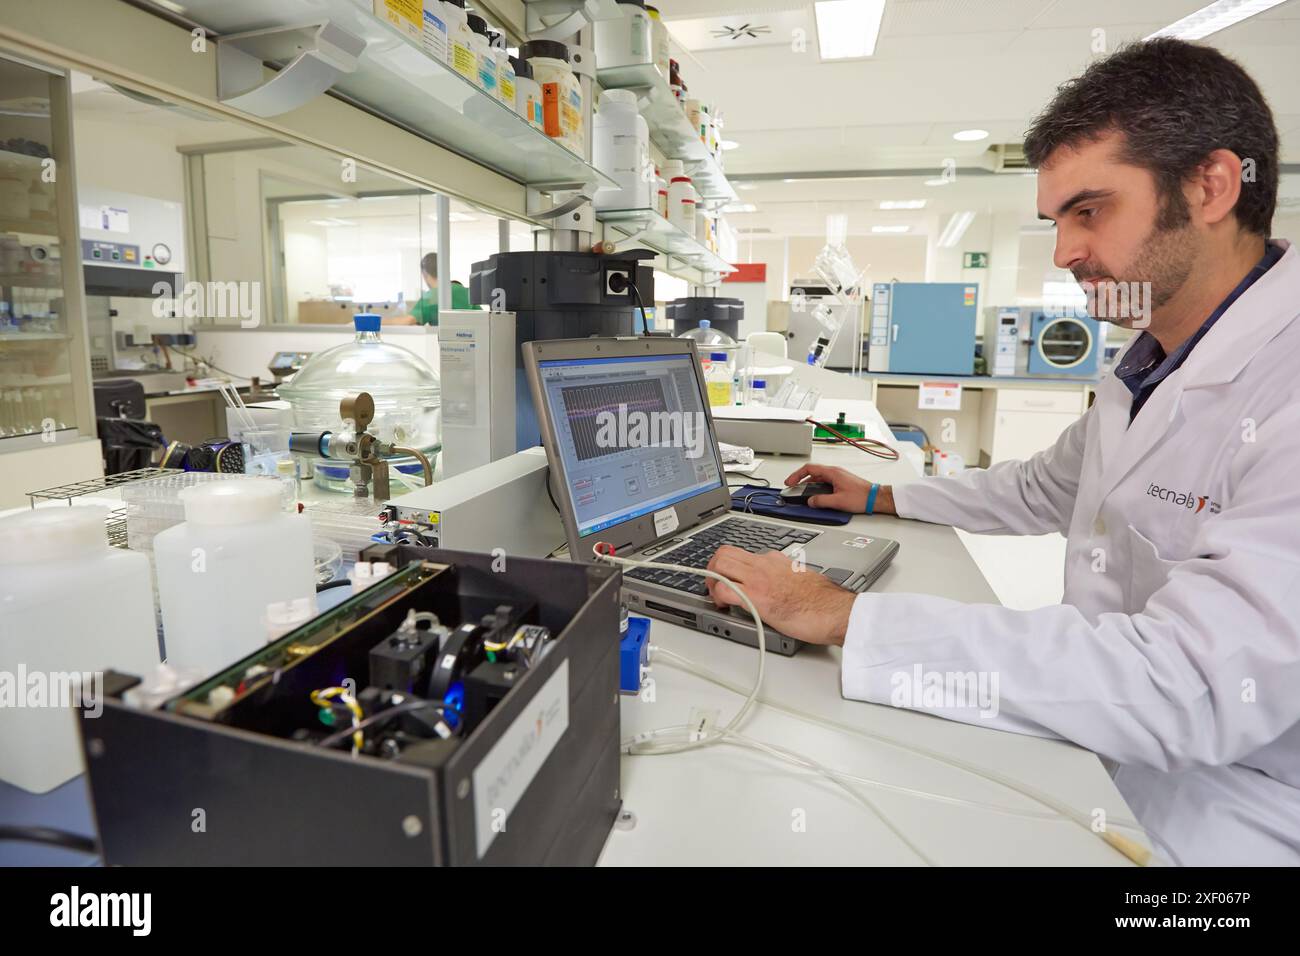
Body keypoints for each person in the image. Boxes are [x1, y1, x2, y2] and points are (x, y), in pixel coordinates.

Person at [705, 38, 1299, 866]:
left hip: (1245, 805)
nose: (1063, 255)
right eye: (1056, 222)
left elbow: (1191, 686)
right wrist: (882, 497)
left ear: (1210, 186)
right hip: (1106, 742)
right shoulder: (1157, 360)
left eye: (1090, 211)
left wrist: (843, 614)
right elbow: (1041, 489)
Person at [388, 252, 471, 326]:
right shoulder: (465, 291)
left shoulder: (432, 296)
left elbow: (408, 321)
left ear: (424, 273)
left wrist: (378, 321)